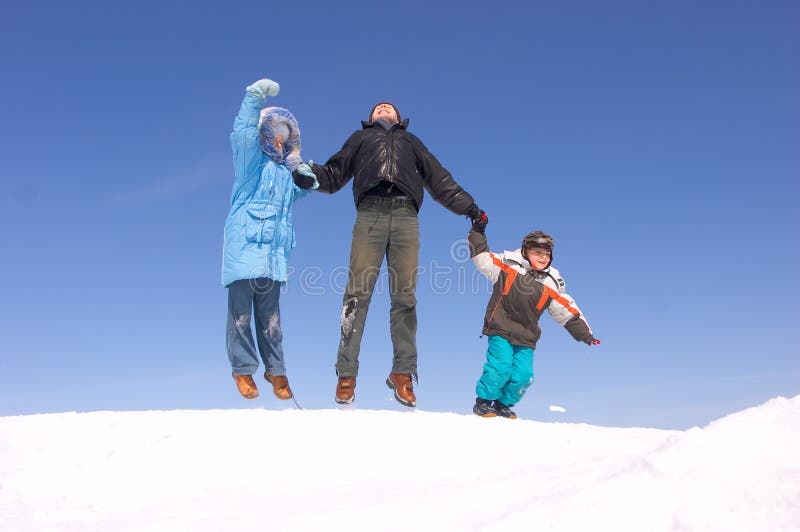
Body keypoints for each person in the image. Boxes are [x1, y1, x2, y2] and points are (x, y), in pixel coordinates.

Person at [294, 102, 488, 407]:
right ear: (371, 118)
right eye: (378, 107)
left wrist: (471, 208)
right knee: (356, 294)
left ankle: (403, 372)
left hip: (406, 217)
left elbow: (440, 180)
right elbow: (334, 174)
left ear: (399, 118)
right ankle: (347, 373)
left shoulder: (411, 142)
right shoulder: (360, 139)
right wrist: (311, 176)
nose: (383, 107)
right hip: (369, 215)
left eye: (389, 107)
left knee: (405, 297)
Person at [222, 78, 318, 400]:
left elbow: (301, 191)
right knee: (241, 317)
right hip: (243, 253)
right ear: (264, 135)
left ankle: (276, 372)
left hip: (274, 262)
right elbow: (243, 134)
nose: (279, 141)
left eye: (285, 138)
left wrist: (306, 178)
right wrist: (253, 97)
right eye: (274, 133)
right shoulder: (251, 163)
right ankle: (243, 369)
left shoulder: (284, 174)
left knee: (272, 321)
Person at [467, 222, 600, 419]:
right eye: (537, 252)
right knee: (500, 367)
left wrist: (586, 334)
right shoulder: (507, 265)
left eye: (546, 254)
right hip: (500, 328)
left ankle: (503, 404)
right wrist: (478, 231)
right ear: (525, 251)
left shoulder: (551, 281)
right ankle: (484, 402)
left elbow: (566, 309)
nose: (543, 258)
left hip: (526, 337)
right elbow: (481, 256)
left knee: (524, 377)